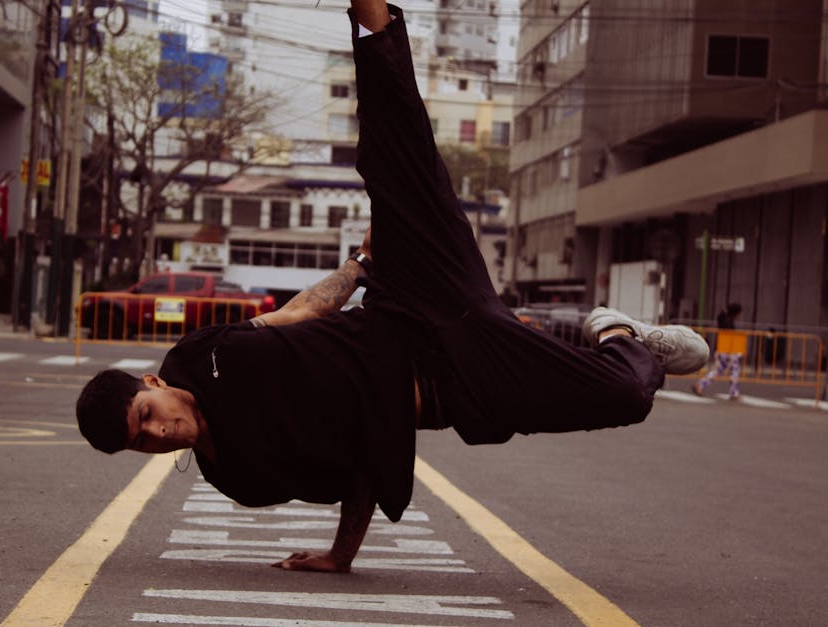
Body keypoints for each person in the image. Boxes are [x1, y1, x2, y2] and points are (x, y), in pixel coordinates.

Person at [76, 0, 709, 574]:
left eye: (145, 417)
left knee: (394, 165)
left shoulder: (194, 355)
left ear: (152, 386)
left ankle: (370, 17)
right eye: (142, 443)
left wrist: (359, 264)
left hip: (414, 301)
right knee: (626, 394)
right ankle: (621, 332)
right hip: (456, 389)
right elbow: (358, 466)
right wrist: (340, 555)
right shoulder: (237, 473)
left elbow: (294, 316)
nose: (158, 436)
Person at [693, 302, 744, 399]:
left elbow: (720, 316)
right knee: (735, 370)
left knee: (718, 371)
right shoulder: (728, 322)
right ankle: (734, 392)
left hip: (722, 350)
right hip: (728, 350)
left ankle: (701, 385)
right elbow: (730, 337)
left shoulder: (723, 318)